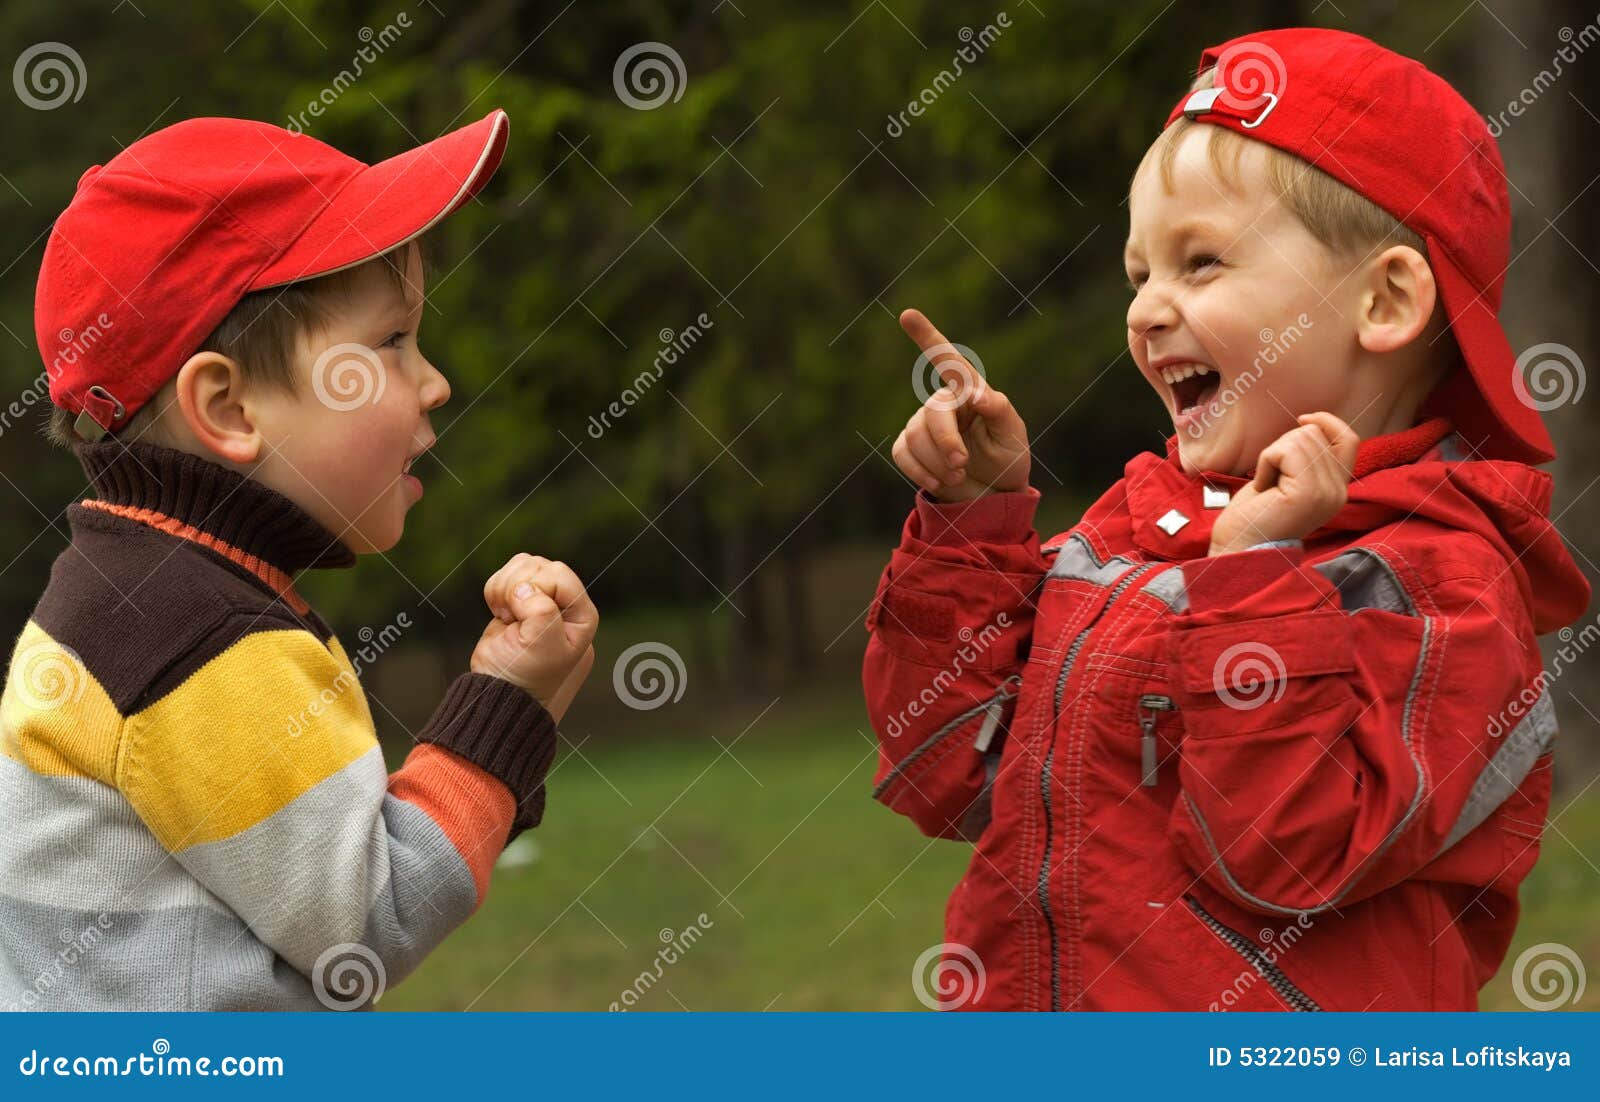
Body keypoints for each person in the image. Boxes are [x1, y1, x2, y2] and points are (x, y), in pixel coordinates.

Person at [863, 27, 1592, 1010]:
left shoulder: (1444, 583)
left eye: (1199, 263)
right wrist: (972, 527)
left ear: (1383, 299)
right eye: (1138, 274)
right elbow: (939, 774)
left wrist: (1252, 576)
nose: (1147, 311)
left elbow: (1288, 860)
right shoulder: (1132, 532)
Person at [1, 110, 597, 1010]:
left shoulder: (141, 593)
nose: (434, 383)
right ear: (231, 409)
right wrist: (507, 708)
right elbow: (368, 917)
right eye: (392, 342)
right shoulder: (194, 637)